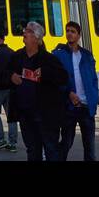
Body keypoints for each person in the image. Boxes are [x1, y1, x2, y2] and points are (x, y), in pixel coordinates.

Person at [9, 22, 67, 161]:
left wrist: (45, 73)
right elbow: (3, 73)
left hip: (45, 115)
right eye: (25, 30)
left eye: (28, 31)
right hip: (25, 114)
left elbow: (63, 78)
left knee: (51, 149)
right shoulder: (17, 57)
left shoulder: (49, 59)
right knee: (32, 150)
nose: (24, 32)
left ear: (36, 38)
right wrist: (11, 76)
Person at [54, 21, 99, 161]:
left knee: (90, 146)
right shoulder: (59, 55)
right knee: (66, 142)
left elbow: (93, 79)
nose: (69, 33)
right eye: (67, 30)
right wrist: (68, 93)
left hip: (86, 106)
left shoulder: (86, 55)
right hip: (69, 107)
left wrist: (94, 98)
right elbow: (57, 80)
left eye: (73, 31)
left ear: (79, 35)